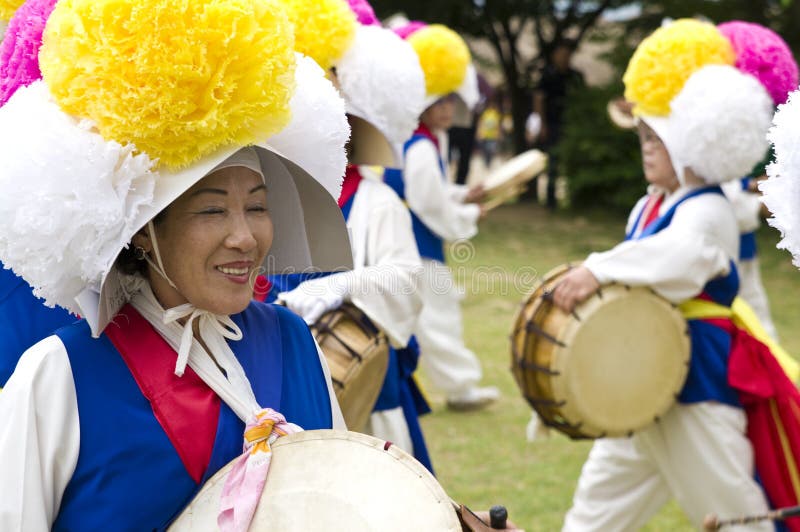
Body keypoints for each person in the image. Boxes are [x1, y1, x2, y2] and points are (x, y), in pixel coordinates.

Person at [0, 0, 353, 528]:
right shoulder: (60, 374)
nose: (244, 236)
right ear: (142, 227)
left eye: (257, 206)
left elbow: (350, 506)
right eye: (212, 210)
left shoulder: (295, 341)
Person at [555, 19, 799, 530]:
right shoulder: (649, 205)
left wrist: (598, 268)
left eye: (657, 136)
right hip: (644, 370)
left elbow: (680, 258)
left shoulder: (709, 209)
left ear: (692, 140)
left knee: (733, 510)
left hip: (699, 379)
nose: (645, 144)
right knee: (597, 505)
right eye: (642, 134)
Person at [269, 12, 435, 469]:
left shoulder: (374, 200)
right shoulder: (267, 201)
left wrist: (338, 287)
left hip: (364, 384)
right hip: (276, 389)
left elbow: (405, 279)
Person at [388, 22, 499, 411]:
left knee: (412, 320)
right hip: (416, 246)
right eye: (442, 101)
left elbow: (431, 192)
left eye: (452, 100)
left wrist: (463, 195)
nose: (450, 108)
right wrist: (467, 216)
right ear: (425, 103)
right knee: (439, 318)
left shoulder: (419, 141)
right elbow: (427, 203)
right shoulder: (420, 145)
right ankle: (461, 389)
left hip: (405, 243)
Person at [716, 20, 799, 341]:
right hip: (718, 251)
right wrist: (771, 199)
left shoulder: (736, 136)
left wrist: (755, 185)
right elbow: (725, 197)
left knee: (759, 324)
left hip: (741, 248)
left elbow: (734, 182)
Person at [533, 37, 585, 208]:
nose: (564, 57)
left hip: (571, 124)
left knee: (572, 162)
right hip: (552, 123)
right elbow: (539, 99)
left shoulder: (575, 76)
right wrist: (542, 124)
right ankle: (550, 200)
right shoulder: (547, 75)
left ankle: (575, 198)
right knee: (552, 162)